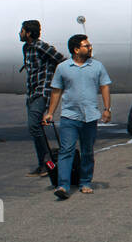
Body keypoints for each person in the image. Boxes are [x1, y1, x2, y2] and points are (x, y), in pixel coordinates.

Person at [43, 34, 112, 199]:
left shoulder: (97, 66)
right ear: (76, 49)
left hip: (90, 117)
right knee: (66, 151)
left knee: (87, 151)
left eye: (89, 45)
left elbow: (104, 87)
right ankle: (63, 185)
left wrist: (107, 109)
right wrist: (50, 112)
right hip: (69, 116)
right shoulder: (63, 68)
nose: (90, 48)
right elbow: (56, 91)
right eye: (86, 46)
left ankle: (85, 182)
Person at [18, 20, 65, 177]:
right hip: (31, 94)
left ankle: (47, 163)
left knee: (34, 126)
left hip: (42, 92)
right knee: (35, 128)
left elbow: (61, 60)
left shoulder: (41, 47)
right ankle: (44, 164)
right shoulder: (26, 48)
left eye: (22, 31)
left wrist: (55, 80)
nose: (20, 33)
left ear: (28, 33)